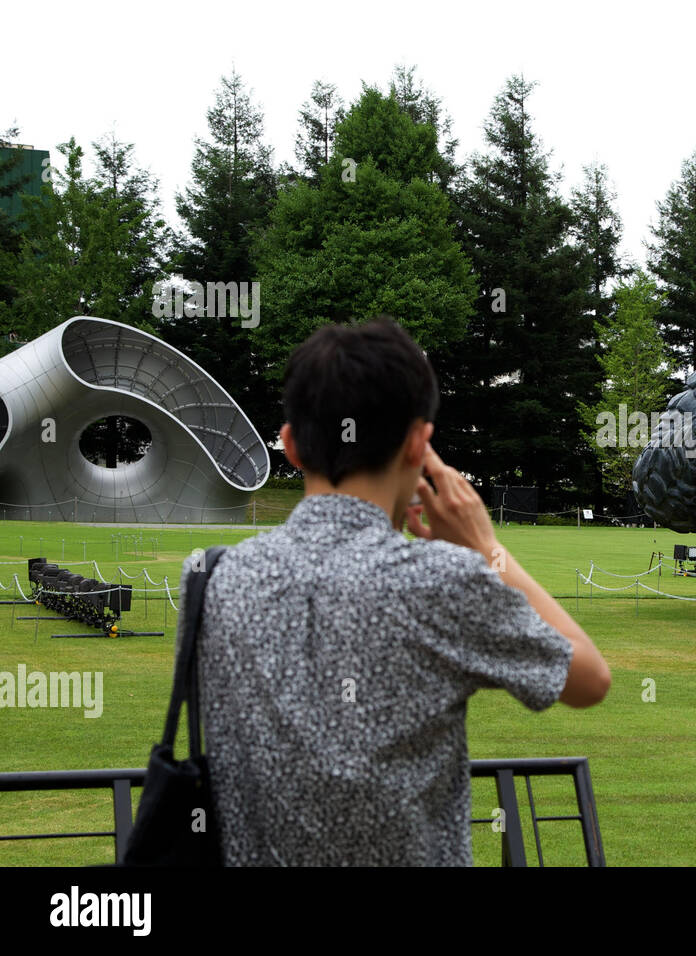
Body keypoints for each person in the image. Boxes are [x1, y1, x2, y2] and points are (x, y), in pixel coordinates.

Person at [190, 316, 610, 866]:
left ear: (290, 445)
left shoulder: (213, 576)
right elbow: (587, 678)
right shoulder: (439, 580)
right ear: (418, 443)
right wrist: (485, 547)